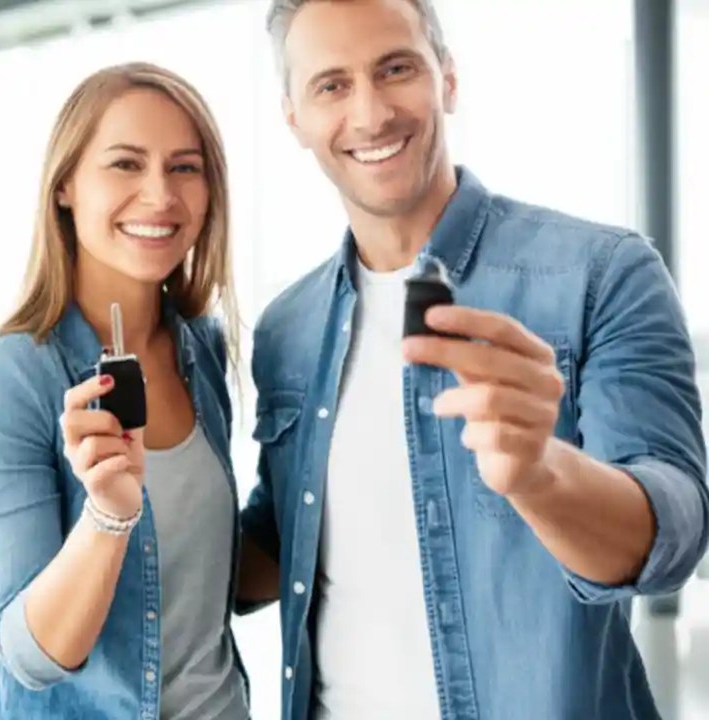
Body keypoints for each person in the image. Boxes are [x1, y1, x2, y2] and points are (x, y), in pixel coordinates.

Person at [236, 1, 709, 719]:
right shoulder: (285, 331)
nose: (369, 114)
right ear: (293, 116)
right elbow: (283, 538)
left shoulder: (602, 272)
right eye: (331, 85)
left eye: (396, 69)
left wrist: (542, 476)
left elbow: (677, 530)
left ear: (447, 78)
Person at [0, 62, 252, 719]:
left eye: (185, 167)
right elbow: (27, 658)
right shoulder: (8, 382)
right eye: (125, 164)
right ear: (64, 187)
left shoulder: (200, 347)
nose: (160, 195)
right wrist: (109, 515)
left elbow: (220, 580)